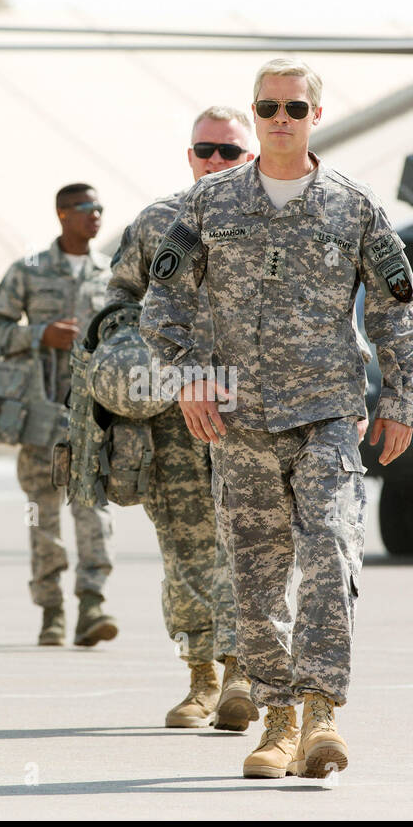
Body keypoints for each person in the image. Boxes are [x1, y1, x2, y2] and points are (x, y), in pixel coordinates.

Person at [140, 59, 413, 779]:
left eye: (294, 108)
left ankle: (322, 714)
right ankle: (278, 721)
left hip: (329, 415)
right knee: (258, 576)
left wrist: (399, 400)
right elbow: (162, 306)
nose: (279, 119)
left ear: (315, 116)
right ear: (255, 112)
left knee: (330, 552)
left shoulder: (352, 207)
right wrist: (189, 380)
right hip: (239, 421)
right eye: (267, 107)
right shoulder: (209, 207)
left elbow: (399, 311)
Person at [105, 106, 258, 730]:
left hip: (250, 415)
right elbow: (118, 297)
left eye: (229, 152)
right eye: (206, 150)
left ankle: (244, 671)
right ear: (189, 156)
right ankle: (200, 678)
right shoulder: (157, 222)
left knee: (253, 541)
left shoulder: (281, 223)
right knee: (186, 544)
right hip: (172, 419)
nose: (216, 161)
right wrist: (127, 356)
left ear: (251, 158)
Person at [0, 183, 117, 647]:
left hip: (94, 413)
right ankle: (52, 610)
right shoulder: (29, 270)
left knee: (93, 508)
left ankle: (92, 603)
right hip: (39, 414)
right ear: (62, 214)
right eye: (85, 208)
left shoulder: (113, 272)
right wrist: (40, 334)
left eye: (99, 208)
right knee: (43, 512)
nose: (95, 215)